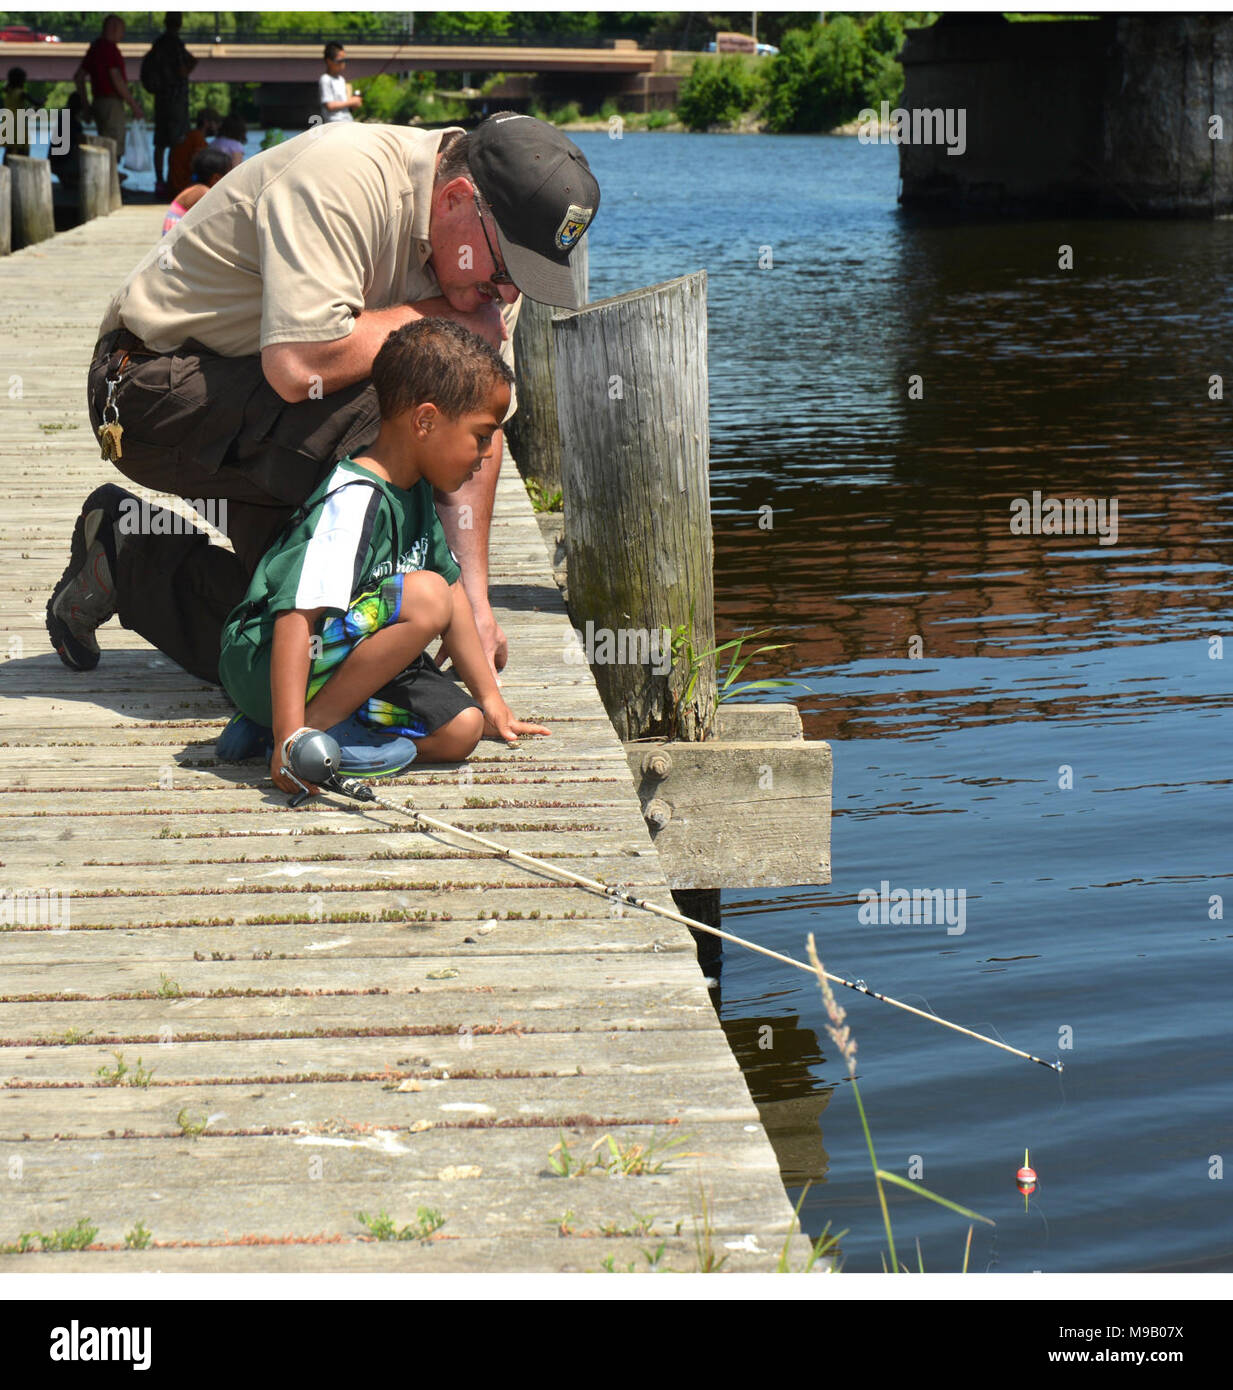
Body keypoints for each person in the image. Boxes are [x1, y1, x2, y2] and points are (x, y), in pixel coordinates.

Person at [46, 113, 598, 757]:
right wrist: (443, 314)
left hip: (280, 421)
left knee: (294, 635)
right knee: (390, 429)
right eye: (504, 272)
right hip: (149, 387)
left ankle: (126, 555)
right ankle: (342, 677)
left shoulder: (489, 257)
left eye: (522, 282)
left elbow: (479, 428)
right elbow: (300, 365)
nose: (503, 295)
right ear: (456, 201)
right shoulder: (343, 175)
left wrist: (470, 606)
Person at [217, 319, 549, 786]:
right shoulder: (355, 499)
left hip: (340, 665)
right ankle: (298, 737)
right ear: (425, 422)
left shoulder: (415, 489)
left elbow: (456, 595)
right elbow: (296, 619)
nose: (487, 451)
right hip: (273, 661)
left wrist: (492, 701)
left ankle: (299, 738)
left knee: (463, 729)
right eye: (481, 434)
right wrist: (295, 735)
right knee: (426, 596)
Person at [74, 14, 143, 163]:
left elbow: (78, 77)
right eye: (122, 30)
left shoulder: (95, 47)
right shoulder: (110, 49)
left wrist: (86, 106)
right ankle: (111, 181)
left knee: (104, 144)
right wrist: (133, 105)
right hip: (112, 103)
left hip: (98, 102)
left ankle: (109, 179)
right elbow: (116, 78)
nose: (123, 35)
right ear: (113, 29)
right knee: (113, 146)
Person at [141, 13, 197, 195]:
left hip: (161, 100)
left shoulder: (158, 43)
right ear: (179, 24)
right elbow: (182, 69)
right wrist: (190, 67)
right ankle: (175, 181)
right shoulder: (175, 44)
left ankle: (159, 181)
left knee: (160, 143)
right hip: (175, 101)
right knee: (177, 142)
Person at [162, 145, 231, 234]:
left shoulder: (195, 188)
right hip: (177, 239)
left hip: (174, 235)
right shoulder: (202, 192)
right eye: (228, 175)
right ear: (216, 178)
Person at [168, 105, 219, 192]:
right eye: (216, 123)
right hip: (184, 188)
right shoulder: (198, 139)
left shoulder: (189, 136)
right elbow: (202, 168)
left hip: (173, 187)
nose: (218, 127)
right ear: (206, 122)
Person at [319, 41, 362, 124]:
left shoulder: (341, 79)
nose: (343, 64)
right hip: (333, 123)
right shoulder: (325, 79)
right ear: (329, 61)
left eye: (344, 60)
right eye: (339, 60)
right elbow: (329, 106)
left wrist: (354, 104)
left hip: (348, 121)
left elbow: (345, 105)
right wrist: (351, 102)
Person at [48, 92, 86, 187]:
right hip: (62, 163)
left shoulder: (62, 117)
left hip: (52, 162)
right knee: (83, 150)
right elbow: (82, 143)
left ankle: (67, 177)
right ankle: (70, 177)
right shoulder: (75, 124)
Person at [1, 67, 31, 158]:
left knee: (9, 153)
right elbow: (36, 101)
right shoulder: (21, 93)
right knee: (22, 154)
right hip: (18, 128)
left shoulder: (8, 92)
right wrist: (43, 100)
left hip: (8, 127)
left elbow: (4, 86)